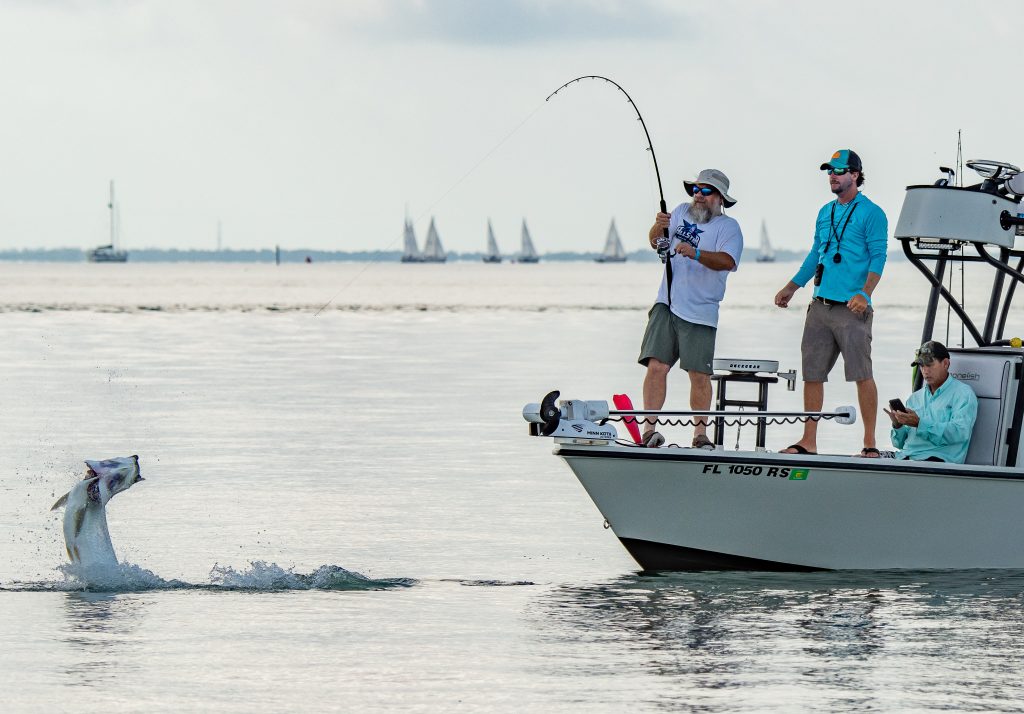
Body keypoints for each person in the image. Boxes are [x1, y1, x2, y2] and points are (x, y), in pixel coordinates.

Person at [774, 149, 888, 457]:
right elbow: (816, 255)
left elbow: (879, 257)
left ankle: (869, 443)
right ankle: (808, 441)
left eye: (838, 170)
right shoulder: (825, 211)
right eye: (829, 171)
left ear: (855, 174)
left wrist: (865, 294)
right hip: (819, 306)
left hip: (852, 310)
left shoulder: (872, 212)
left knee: (861, 374)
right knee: (812, 374)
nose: (832, 175)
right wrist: (792, 286)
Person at [638, 169, 744, 448]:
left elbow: (727, 261)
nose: (698, 195)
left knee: (699, 375)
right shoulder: (681, 211)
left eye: (706, 191)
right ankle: (649, 430)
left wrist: (695, 252)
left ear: (720, 198)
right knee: (656, 366)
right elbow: (656, 243)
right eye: (695, 189)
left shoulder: (728, 227)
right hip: (667, 303)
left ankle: (700, 434)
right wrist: (657, 226)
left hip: (701, 313)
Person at [884, 341, 978, 463]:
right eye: (922, 366)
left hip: (938, 461)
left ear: (945, 363)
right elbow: (900, 444)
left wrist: (919, 423)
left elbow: (960, 433)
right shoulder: (914, 398)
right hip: (905, 458)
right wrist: (898, 425)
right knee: (865, 456)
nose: (925, 371)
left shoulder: (964, 394)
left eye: (929, 365)